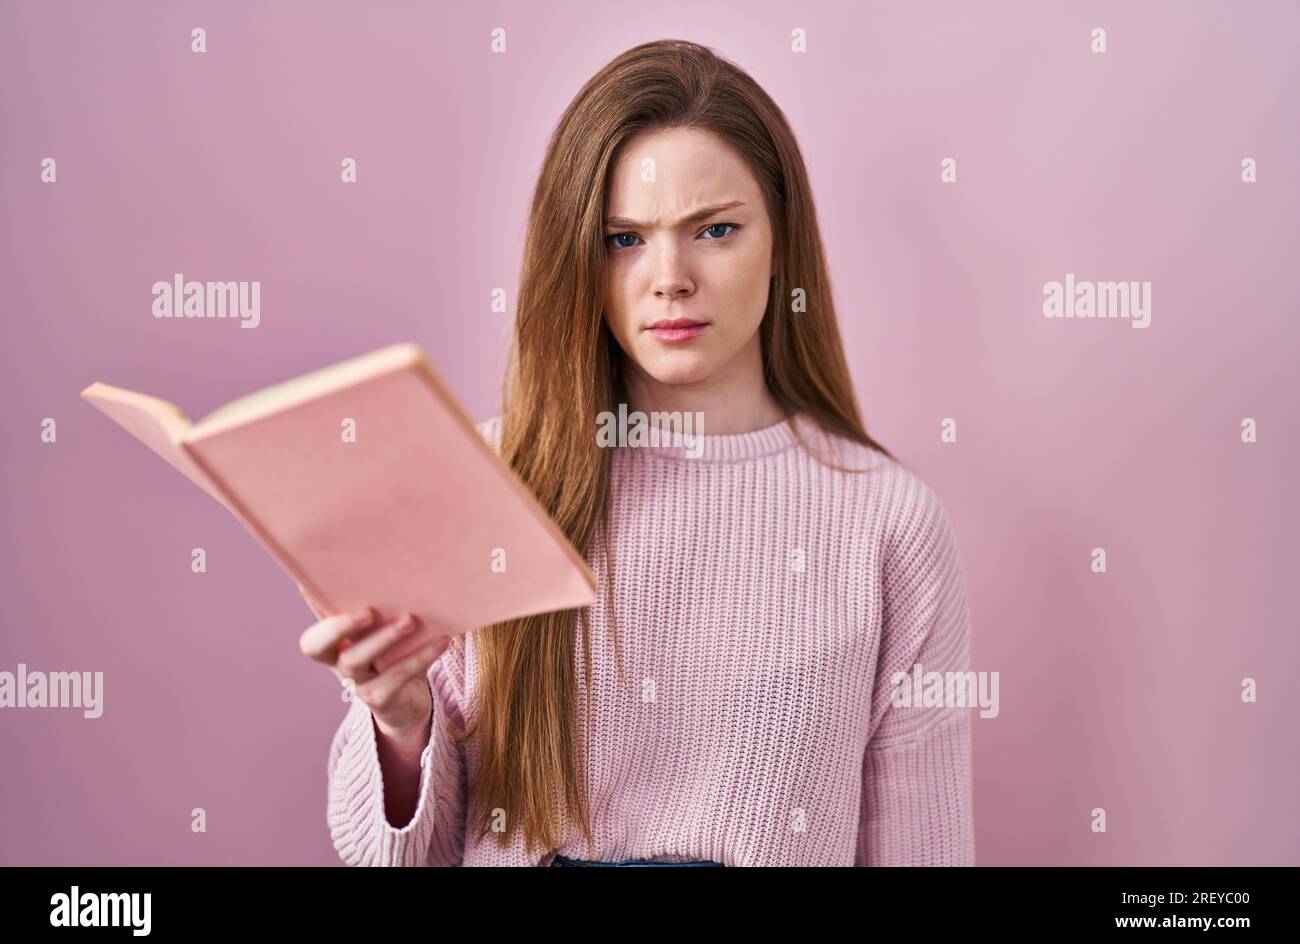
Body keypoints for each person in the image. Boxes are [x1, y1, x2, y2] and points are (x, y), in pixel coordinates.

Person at [299, 38, 975, 867]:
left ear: (781, 243)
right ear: (578, 254)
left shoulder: (889, 522)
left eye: (715, 229)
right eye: (625, 239)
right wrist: (400, 724)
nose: (670, 277)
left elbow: (923, 850)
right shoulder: (484, 481)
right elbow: (394, 857)